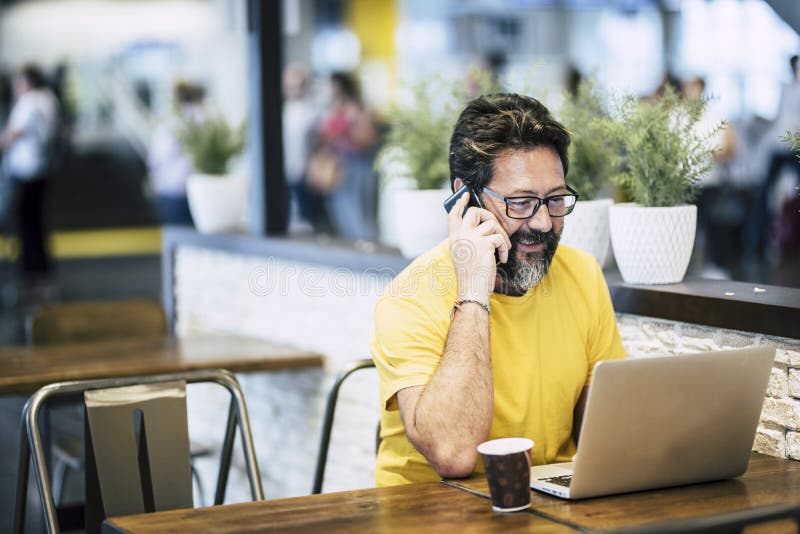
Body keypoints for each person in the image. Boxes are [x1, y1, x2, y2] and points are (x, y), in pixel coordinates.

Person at [370, 93, 626, 485]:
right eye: (521, 203)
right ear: (465, 197)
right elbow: (453, 455)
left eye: (555, 200)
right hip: (431, 516)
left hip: (545, 508)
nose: (543, 222)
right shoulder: (410, 296)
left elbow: (609, 437)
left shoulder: (582, 274)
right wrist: (473, 289)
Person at [0, 64, 59, 300]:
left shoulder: (30, 101)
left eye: (18, 83)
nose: (15, 88)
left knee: (26, 226)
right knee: (34, 224)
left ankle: (32, 276)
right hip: (41, 170)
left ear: (27, 82)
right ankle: (40, 275)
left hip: (26, 172)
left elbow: (13, 135)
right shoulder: (48, 98)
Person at [310, 72, 377, 240]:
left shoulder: (355, 108)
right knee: (343, 212)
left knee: (360, 213)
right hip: (338, 166)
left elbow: (367, 138)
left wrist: (343, 131)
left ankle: (366, 246)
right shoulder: (331, 109)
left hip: (358, 165)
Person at [146, 81, 206, 226]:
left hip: (172, 190)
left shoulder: (171, 120)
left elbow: (158, 157)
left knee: (177, 238)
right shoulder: (202, 117)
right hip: (200, 189)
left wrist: (152, 179)